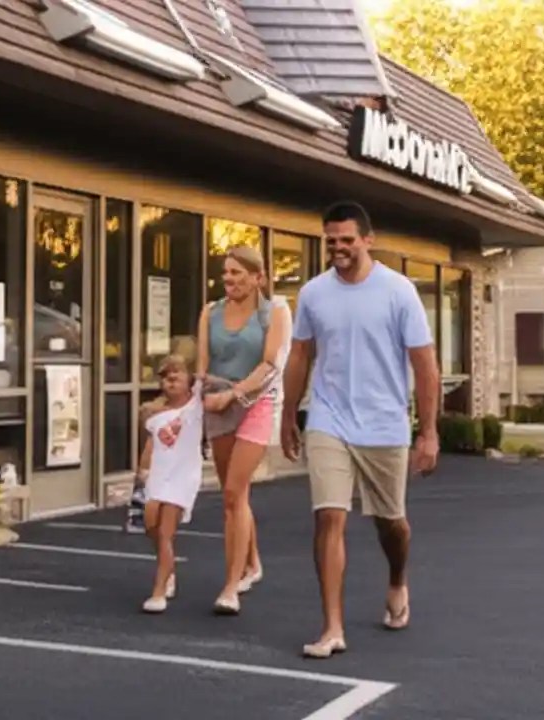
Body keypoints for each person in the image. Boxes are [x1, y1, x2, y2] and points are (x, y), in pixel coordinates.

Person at [280, 201, 441, 659]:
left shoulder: (398, 291)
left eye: (347, 240)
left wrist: (428, 432)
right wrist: (289, 414)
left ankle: (397, 579)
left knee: (392, 525)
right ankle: (332, 627)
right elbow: (300, 355)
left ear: (368, 240)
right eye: (331, 241)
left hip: (385, 423)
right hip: (329, 417)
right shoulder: (313, 293)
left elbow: (424, 364)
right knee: (329, 515)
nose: (339, 248)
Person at [196, 245, 292, 615]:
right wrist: (196, 400)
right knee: (235, 495)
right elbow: (203, 364)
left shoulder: (275, 312)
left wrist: (235, 394)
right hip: (217, 403)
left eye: (237, 273)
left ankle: (231, 586)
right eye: (226, 273)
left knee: (234, 493)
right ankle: (253, 564)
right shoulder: (210, 312)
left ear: (258, 278)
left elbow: (270, 363)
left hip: (255, 403)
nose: (229, 280)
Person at [135, 355, 203, 613]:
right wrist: (141, 473)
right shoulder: (153, 415)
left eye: (177, 375)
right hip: (158, 476)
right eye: (165, 377)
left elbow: (208, 378)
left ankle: (159, 590)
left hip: (183, 476)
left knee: (165, 532)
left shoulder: (195, 405)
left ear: (189, 380)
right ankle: (169, 569)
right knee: (151, 526)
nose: (171, 381)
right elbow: (151, 446)